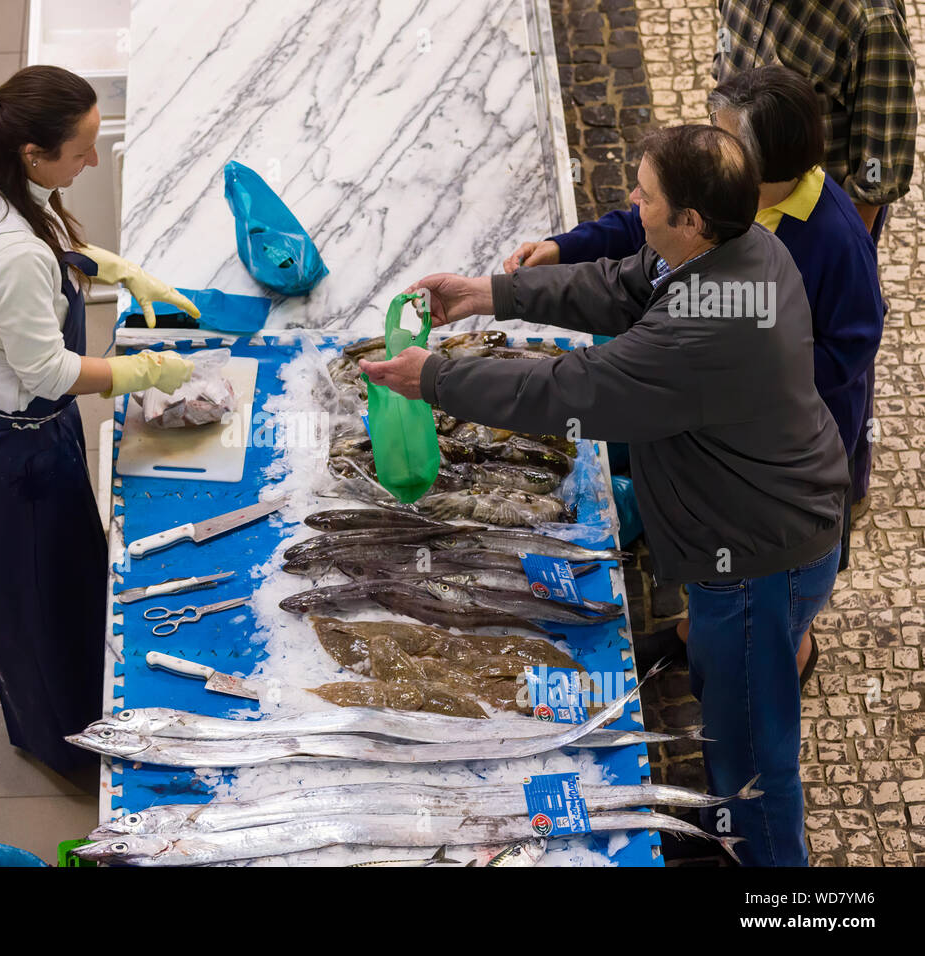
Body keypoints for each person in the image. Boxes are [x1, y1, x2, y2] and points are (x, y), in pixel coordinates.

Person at [360, 125, 848, 866]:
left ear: (690, 219)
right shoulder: (737, 250)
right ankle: (703, 674)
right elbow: (617, 285)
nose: (631, 202)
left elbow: (576, 389)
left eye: (645, 196)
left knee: (753, 753)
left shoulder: (705, 328)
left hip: (760, 555)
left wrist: (438, 380)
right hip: (750, 521)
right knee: (726, 664)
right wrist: (490, 293)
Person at [503, 66, 883, 682]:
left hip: (788, 451)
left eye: (721, 134)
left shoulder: (835, 239)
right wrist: (565, 247)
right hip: (717, 418)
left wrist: (748, 373)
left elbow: (853, 347)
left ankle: (787, 662)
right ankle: (692, 634)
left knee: (774, 594)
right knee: (717, 557)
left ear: (756, 167)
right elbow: (644, 229)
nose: (709, 139)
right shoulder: (717, 197)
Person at [0, 66, 196, 783]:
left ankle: (74, 702)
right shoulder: (10, 252)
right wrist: (143, 373)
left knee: (60, 583)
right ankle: (71, 748)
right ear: (33, 152)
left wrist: (114, 269)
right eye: (81, 149)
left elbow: (45, 252)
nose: (94, 160)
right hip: (9, 454)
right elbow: (47, 373)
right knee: (43, 601)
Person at [716, 0, 918, 519]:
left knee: (833, 361)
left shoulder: (870, 23)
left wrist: (835, 252)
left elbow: (878, 170)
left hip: (813, 230)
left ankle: (839, 489)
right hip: (749, 210)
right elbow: (725, 68)